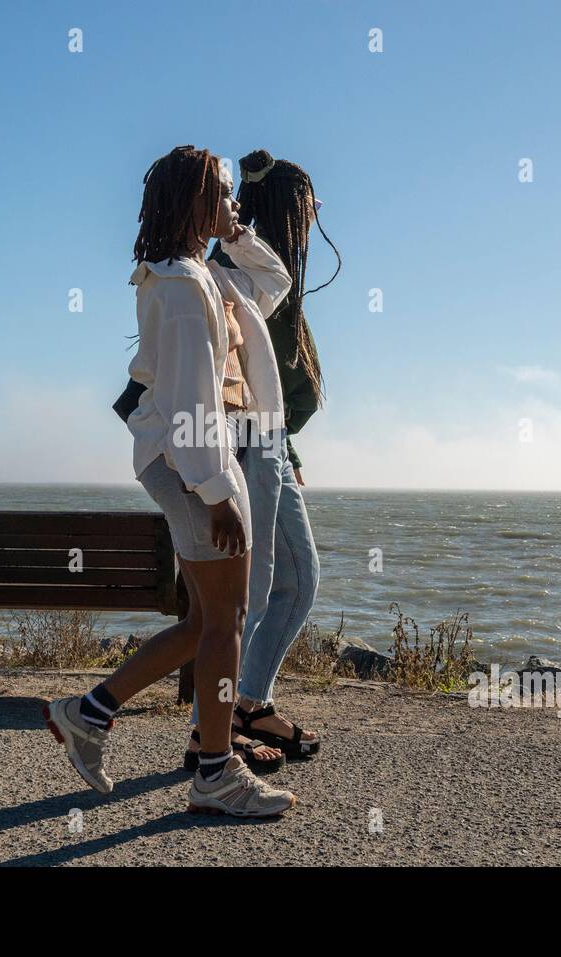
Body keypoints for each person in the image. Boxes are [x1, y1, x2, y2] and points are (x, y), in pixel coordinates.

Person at [45, 145, 297, 818]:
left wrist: (237, 233)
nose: (232, 202)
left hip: (183, 460)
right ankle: (215, 773)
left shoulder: (192, 276)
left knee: (206, 620)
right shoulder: (187, 289)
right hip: (195, 462)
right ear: (192, 201)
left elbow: (274, 285)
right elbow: (191, 406)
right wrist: (218, 493)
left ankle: (89, 712)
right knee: (226, 623)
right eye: (221, 192)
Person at [184, 149, 340, 766]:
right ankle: (209, 730)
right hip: (247, 442)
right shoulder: (235, 276)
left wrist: (287, 447)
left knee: (299, 582)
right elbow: (229, 382)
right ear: (289, 209)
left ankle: (246, 703)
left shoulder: (263, 271)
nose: (318, 215)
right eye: (310, 205)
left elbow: (267, 378)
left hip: (271, 444)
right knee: (252, 588)